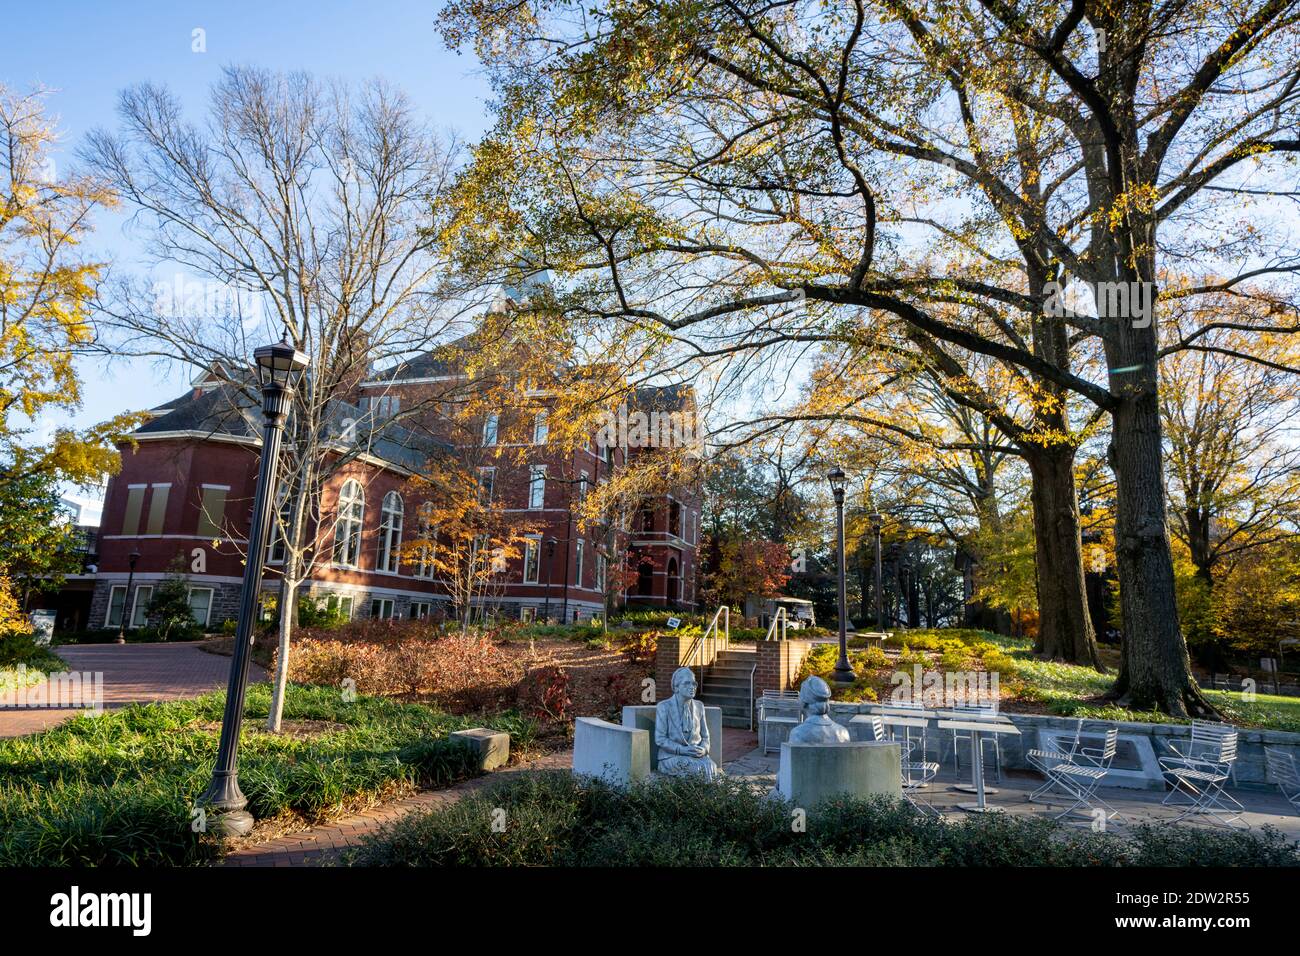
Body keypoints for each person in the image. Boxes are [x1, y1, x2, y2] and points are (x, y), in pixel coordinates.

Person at [654, 667, 720, 780]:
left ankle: (711, 797)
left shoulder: (699, 706)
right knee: (695, 769)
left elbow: (705, 737)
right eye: (687, 683)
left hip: (696, 756)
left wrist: (703, 749)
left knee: (711, 767)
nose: (692, 687)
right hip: (671, 756)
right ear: (676, 688)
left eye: (694, 683)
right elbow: (660, 739)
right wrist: (681, 750)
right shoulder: (664, 707)